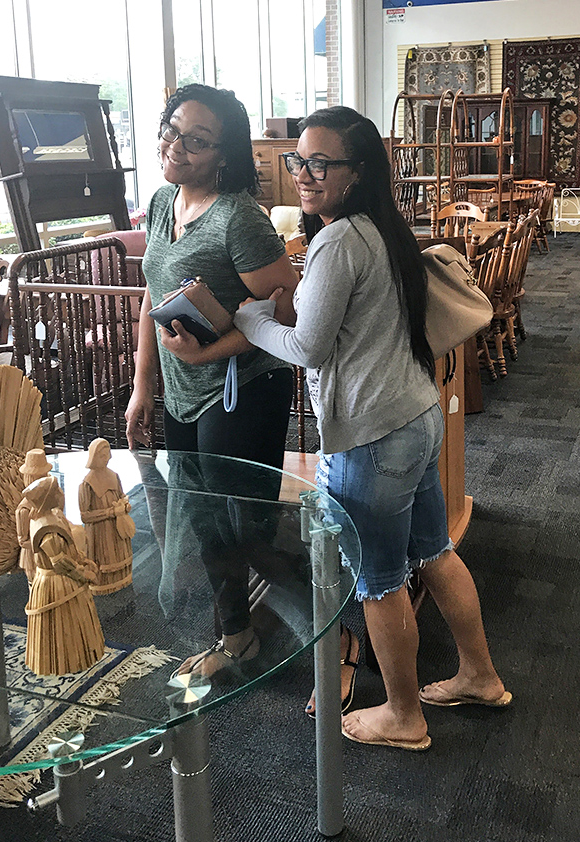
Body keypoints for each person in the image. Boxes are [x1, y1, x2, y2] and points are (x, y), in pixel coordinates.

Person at [235, 106, 510, 751]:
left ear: (356, 172)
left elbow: (308, 346)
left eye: (320, 163)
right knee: (435, 553)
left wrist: (251, 319)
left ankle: (403, 715)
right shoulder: (384, 229)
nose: (303, 174)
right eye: (299, 160)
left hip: (372, 438)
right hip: (415, 417)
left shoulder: (336, 241)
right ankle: (480, 675)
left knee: (380, 584)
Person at [125, 84, 298, 674]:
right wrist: (143, 384)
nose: (177, 147)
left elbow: (286, 308)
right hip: (183, 390)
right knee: (203, 518)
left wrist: (208, 355)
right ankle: (236, 635)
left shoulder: (238, 218)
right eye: (172, 130)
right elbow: (151, 297)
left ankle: (335, 626)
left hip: (244, 388)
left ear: (224, 155)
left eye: (197, 141)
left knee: (246, 525)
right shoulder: (161, 202)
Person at [23, 475, 104, 677]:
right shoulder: (46, 529)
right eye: (56, 491)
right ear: (47, 498)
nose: (61, 494)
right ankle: (61, 662)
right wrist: (82, 574)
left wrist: (82, 559)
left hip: (65, 577)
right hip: (56, 582)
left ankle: (81, 656)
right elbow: (59, 563)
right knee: (60, 625)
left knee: (76, 620)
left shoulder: (55, 516)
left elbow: (70, 548)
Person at [79, 437, 135, 595]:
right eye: (102, 456)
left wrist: (125, 505)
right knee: (103, 560)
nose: (106, 458)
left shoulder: (114, 476)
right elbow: (85, 517)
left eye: (107, 454)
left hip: (117, 529)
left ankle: (122, 580)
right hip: (100, 533)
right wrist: (110, 513)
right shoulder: (87, 484)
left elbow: (122, 495)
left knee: (120, 556)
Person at [15, 448, 53, 585]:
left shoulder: (50, 500)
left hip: (51, 553)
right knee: (37, 586)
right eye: (40, 478)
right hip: (33, 556)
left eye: (45, 476)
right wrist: (43, 543)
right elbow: (22, 541)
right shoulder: (24, 510)